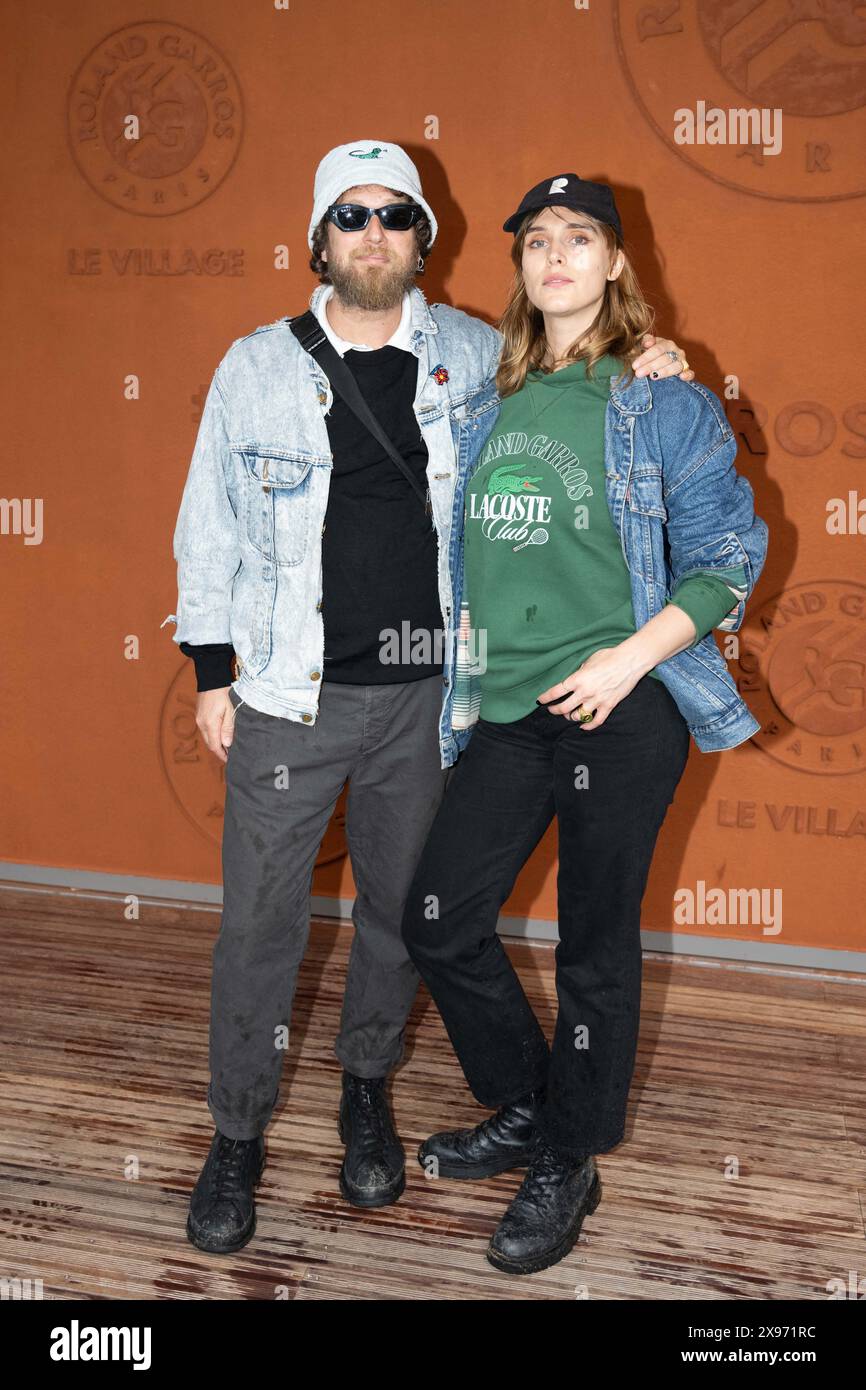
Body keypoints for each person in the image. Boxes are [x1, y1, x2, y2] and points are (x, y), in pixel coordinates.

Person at [164, 143, 693, 1254]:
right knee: (258, 924)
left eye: (394, 215)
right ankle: (238, 1133)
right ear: (319, 238)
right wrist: (212, 674)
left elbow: (581, 385)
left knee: (403, 923)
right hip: (286, 691)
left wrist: (655, 360)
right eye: (348, 216)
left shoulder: (471, 353)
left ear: (422, 239)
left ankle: (367, 1093)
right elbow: (205, 528)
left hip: (429, 694)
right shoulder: (255, 365)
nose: (371, 234)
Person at [401, 173, 769, 1276]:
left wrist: (624, 660)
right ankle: (529, 1100)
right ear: (516, 268)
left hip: (618, 711)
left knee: (594, 950)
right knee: (435, 918)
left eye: (578, 238)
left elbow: (726, 563)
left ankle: (567, 1155)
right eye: (534, 242)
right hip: (505, 712)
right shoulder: (484, 396)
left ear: (614, 263)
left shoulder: (660, 400)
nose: (553, 255)